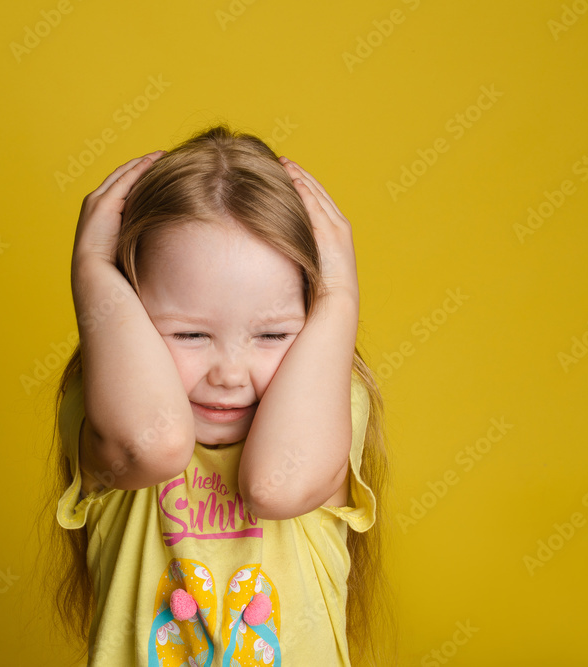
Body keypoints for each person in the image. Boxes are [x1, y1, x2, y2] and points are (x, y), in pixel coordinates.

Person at [42, 125, 396, 666]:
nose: (230, 374)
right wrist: (93, 265)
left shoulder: (332, 405)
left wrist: (341, 295)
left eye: (274, 335)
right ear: (128, 318)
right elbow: (151, 442)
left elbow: (276, 487)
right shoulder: (102, 405)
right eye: (189, 334)